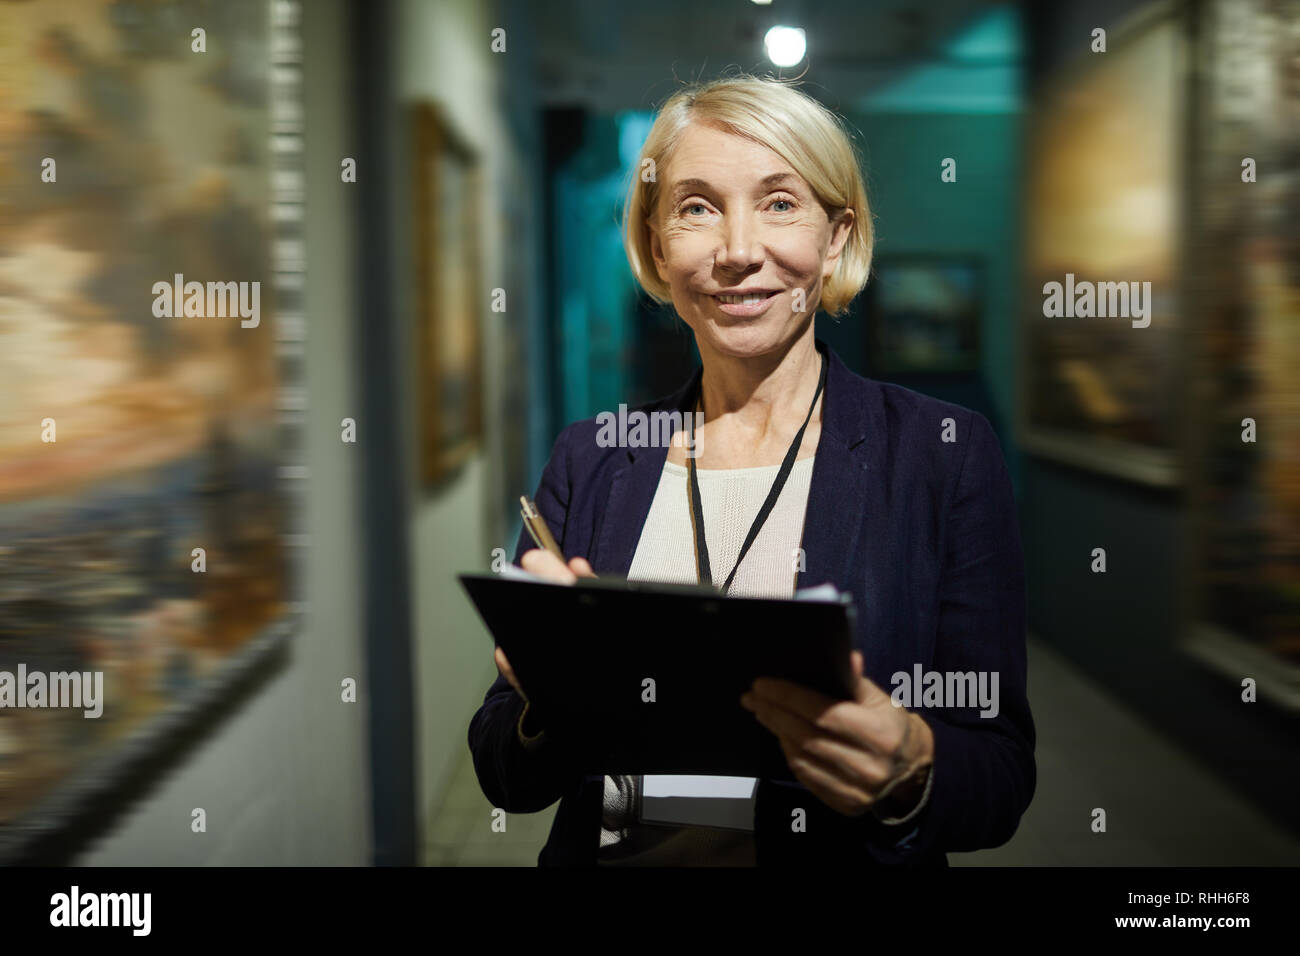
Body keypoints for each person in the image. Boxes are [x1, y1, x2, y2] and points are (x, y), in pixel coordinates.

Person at [468, 75, 1034, 866]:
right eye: (696, 207)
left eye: (779, 203)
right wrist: (546, 705)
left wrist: (910, 765)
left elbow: (1001, 774)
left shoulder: (941, 453)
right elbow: (504, 771)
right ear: (659, 246)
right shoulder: (594, 455)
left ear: (835, 237)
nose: (738, 251)